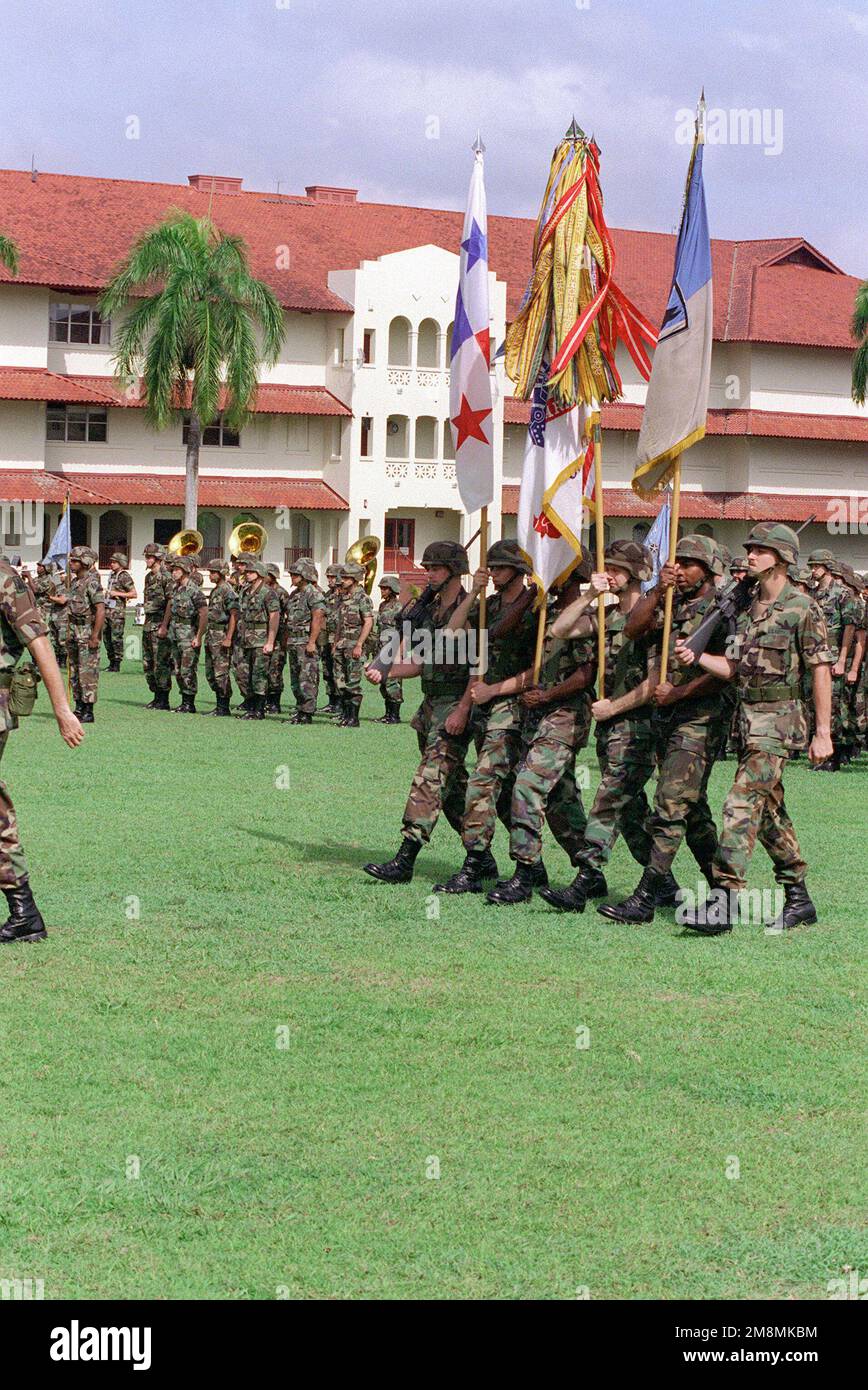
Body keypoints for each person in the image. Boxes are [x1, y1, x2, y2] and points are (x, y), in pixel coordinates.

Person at [676, 523, 834, 933]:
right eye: (749, 548)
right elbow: (733, 667)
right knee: (767, 813)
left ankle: (723, 902)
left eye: (759, 549)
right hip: (746, 721)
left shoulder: (802, 608)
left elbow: (820, 670)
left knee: (740, 803)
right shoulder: (744, 610)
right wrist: (696, 657)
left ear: (781, 558)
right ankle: (799, 898)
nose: (749, 555)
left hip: (780, 721)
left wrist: (823, 732)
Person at [598, 534, 728, 924]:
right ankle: (722, 890)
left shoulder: (721, 609)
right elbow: (634, 628)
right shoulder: (672, 601)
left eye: (690, 564)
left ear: (708, 570)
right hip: (665, 719)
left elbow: (726, 673)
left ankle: (646, 897)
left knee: (669, 804)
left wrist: (679, 692)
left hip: (700, 717)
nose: (683, 570)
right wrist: (658, 590)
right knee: (695, 814)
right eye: (678, 562)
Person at [538, 540, 660, 912]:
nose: (611, 573)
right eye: (608, 566)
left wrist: (614, 707)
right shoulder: (606, 619)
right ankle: (665, 882)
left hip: (636, 725)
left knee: (606, 802)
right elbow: (559, 630)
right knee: (634, 812)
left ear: (638, 573)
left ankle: (585, 881)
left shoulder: (652, 620)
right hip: (609, 729)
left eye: (619, 568)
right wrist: (590, 595)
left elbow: (655, 682)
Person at [483, 561, 598, 906]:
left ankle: (525, 872)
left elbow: (586, 673)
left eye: (557, 570)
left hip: (565, 713)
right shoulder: (544, 612)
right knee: (562, 800)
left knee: (527, 785)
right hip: (539, 714)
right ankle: (591, 872)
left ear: (575, 577)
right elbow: (499, 631)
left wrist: (548, 695)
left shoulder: (585, 618)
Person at [363, 542, 473, 881]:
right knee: (453, 791)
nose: (429, 574)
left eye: (435, 569)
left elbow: (480, 670)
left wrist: (463, 711)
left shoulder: (472, 610)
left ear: (454, 571)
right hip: (430, 707)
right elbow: (422, 662)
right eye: (428, 568)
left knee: (428, 779)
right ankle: (480, 855)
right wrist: (387, 670)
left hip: (456, 706)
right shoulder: (430, 611)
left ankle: (405, 860)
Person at [432, 539, 537, 894]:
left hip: (513, 705)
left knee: (483, 781)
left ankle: (474, 864)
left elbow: (537, 670)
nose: (492, 573)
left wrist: (495, 690)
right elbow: (451, 634)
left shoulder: (534, 610)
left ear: (518, 571)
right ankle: (532, 867)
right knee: (504, 789)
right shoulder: (487, 606)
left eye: (500, 568)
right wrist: (472, 594)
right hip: (482, 704)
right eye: (490, 567)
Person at [0, 558, 84, 943]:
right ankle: (24, 914)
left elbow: (39, 643)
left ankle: (24, 912)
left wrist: (63, 710)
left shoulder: (5, 580)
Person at [807, 548, 856, 770]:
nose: (813, 570)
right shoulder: (814, 595)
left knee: (834, 705)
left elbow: (849, 628)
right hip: (817, 655)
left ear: (827, 567)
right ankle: (819, 752)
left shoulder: (842, 593)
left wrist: (842, 659)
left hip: (834, 654)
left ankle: (833, 757)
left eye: (816, 566)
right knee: (815, 703)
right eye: (811, 566)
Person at [61, 545, 104, 724]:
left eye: (76, 560)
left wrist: (95, 636)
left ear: (85, 562)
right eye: (71, 560)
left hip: (87, 632)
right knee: (75, 670)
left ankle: (88, 710)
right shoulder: (75, 582)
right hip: (74, 632)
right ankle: (78, 706)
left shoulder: (91, 582)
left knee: (88, 673)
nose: (72, 563)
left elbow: (100, 610)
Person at [159, 555, 207, 712]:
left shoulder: (194, 591)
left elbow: (203, 614)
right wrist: (164, 626)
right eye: (173, 570)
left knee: (188, 669)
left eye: (177, 570)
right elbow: (170, 606)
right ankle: (183, 700)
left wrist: (198, 636)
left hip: (188, 634)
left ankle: (189, 702)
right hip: (175, 632)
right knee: (178, 668)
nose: (174, 573)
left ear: (185, 571)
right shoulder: (175, 588)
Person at [235, 557, 280, 720]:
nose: (247, 574)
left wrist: (270, 641)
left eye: (251, 572)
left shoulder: (268, 593)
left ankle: (258, 710)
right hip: (245, 639)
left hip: (261, 639)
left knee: (259, 675)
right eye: (247, 572)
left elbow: (274, 617)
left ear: (260, 574)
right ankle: (250, 705)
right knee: (242, 673)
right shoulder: (245, 592)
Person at [332, 561, 373, 728]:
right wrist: (335, 643)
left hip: (354, 645)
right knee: (340, 681)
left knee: (353, 683)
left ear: (355, 579)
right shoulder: (343, 597)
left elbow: (368, 622)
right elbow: (338, 623)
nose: (343, 580)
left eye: (347, 577)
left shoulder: (362, 598)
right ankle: (345, 714)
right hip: (341, 644)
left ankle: (353, 718)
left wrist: (359, 645)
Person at [284, 558, 325, 724]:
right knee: (295, 678)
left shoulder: (313, 593)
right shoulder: (295, 594)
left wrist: (312, 642)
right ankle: (300, 709)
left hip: (305, 641)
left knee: (307, 678)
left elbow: (318, 618)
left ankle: (307, 713)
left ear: (305, 575)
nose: (292, 577)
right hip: (294, 640)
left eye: (296, 574)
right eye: (292, 574)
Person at [202, 558, 238, 717]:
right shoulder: (216, 590)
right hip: (211, 635)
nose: (210, 575)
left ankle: (223, 706)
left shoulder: (228, 591)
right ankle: (219, 704)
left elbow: (234, 615)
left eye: (213, 572)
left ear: (222, 573)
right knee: (210, 672)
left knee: (220, 672)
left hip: (221, 635)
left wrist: (229, 637)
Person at [141, 543, 173, 710]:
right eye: (146, 556)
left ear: (158, 559)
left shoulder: (166, 577)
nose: (146, 560)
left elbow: (170, 601)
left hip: (160, 623)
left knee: (161, 662)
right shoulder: (149, 577)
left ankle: (164, 698)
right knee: (148, 662)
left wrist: (165, 625)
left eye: (149, 557)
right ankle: (156, 695)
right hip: (148, 623)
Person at [373, 575, 405, 724]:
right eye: (381, 588)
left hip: (394, 648)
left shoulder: (399, 607)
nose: (382, 591)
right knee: (384, 682)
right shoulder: (382, 606)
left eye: (385, 588)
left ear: (393, 590)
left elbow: (404, 630)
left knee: (393, 682)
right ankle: (387, 713)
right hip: (382, 648)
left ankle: (394, 715)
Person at [264, 563, 291, 714]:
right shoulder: (263, 591)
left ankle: (274, 703)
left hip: (279, 637)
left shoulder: (281, 592)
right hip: (264, 635)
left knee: (275, 669)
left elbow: (288, 615)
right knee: (264, 669)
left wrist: (284, 638)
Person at [103, 552, 136, 672]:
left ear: (121, 563)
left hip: (118, 613)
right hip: (108, 610)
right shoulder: (112, 575)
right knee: (106, 637)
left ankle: (117, 663)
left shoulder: (124, 576)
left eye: (114, 562)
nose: (111, 564)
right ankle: (111, 661)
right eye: (111, 562)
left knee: (116, 638)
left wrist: (117, 593)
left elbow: (133, 593)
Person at [321, 563, 343, 713]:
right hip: (326, 638)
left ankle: (341, 703)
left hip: (340, 639)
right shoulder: (327, 595)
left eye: (332, 577)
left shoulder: (345, 596)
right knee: (327, 670)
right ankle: (332, 701)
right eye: (328, 577)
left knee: (339, 672)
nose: (329, 580)